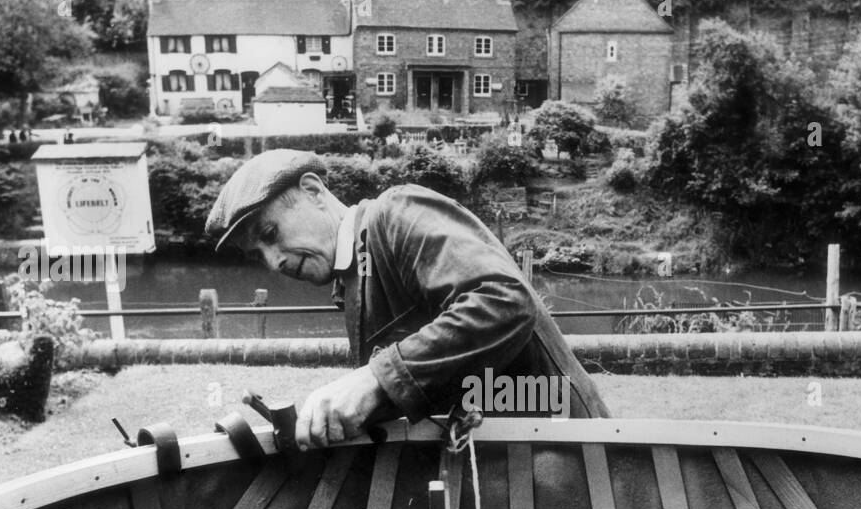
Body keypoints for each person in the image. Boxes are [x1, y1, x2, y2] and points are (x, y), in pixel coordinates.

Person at [205, 150, 610, 449]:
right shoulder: (351, 281)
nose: (273, 262)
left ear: (313, 190)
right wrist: (334, 411)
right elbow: (430, 384)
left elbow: (503, 299)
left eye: (271, 234)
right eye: (257, 254)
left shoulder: (395, 214)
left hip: (567, 453)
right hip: (500, 457)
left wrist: (374, 379)